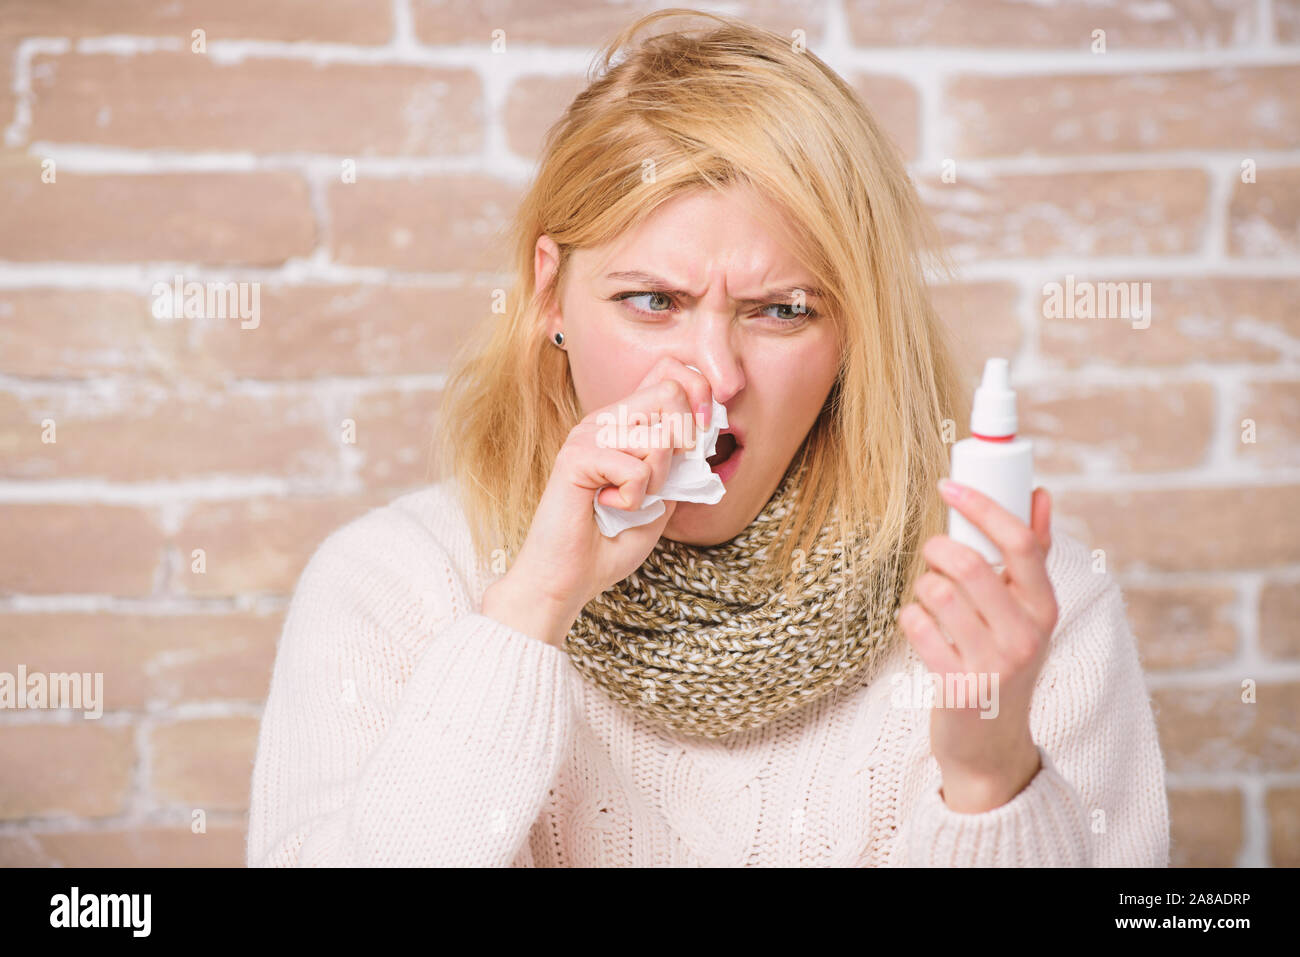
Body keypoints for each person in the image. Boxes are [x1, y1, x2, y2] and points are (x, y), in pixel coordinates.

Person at [246, 8, 1170, 867]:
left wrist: (989, 782)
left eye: (781, 311)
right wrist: (531, 605)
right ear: (546, 296)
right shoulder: (388, 588)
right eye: (653, 301)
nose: (715, 374)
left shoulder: (1027, 621)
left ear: (854, 335)